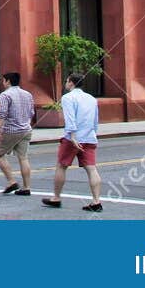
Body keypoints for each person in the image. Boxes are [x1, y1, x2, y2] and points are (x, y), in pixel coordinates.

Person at [43, 74, 102, 212]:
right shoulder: (92, 99)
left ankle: (56, 198)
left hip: (72, 138)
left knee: (61, 166)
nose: (65, 83)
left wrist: (73, 137)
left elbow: (70, 119)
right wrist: (93, 133)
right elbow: (95, 120)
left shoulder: (67, 98)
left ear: (71, 83)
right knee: (92, 169)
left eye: (67, 80)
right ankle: (96, 201)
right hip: (89, 137)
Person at [0, 71, 35, 196]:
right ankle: (26, 187)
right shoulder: (28, 94)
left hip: (10, 130)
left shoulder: (5, 95)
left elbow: (2, 114)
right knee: (23, 158)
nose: (2, 83)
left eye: (3, 80)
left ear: (8, 81)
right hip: (25, 129)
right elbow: (31, 112)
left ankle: (11, 181)